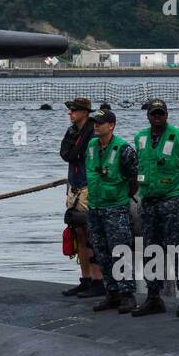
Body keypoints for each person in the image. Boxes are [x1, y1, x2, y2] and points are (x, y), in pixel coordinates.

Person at [131, 100, 179, 317]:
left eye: (161, 113)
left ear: (167, 114)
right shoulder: (140, 138)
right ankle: (153, 297)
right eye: (153, 114)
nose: (157, 117)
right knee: (152, 250)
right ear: (148, 116)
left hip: (173, 201)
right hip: (149, 202)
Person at [84, 107, 140, 313]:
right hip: (95, 207)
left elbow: (134, 179)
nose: (96, 126)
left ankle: (127, 295)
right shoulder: (91, 146)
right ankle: (112, 292)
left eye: (100, 123)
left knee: (120, 251)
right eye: (95, 122)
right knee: (102, 252)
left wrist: (121, 196)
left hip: (115, 207)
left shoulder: (124, 149)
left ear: (111, 126)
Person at [58, 97, 104, 298]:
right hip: (75, 185)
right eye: (70, 110)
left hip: (88, 185)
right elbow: (67, 154)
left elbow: (79, 154)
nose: (71, 113)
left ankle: (98, 279)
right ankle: (85, 279)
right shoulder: (72, 131)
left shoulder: (93, 132)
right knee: (78, 232)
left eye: (74, 110)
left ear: (84, 112)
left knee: (91, 232)